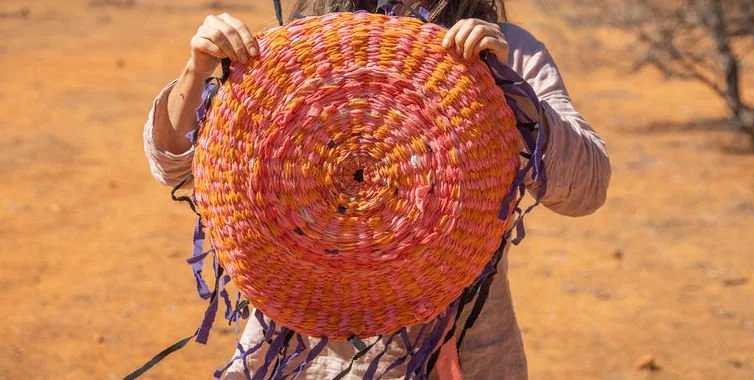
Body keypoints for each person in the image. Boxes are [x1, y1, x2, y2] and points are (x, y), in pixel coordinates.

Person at [143, 0, 611, 378]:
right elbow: (176, 167)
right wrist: (197, 70)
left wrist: (509, 91)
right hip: (303, 359)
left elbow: (587, 187)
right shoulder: (307, 40)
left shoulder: (508, 51)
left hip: (463, 355)